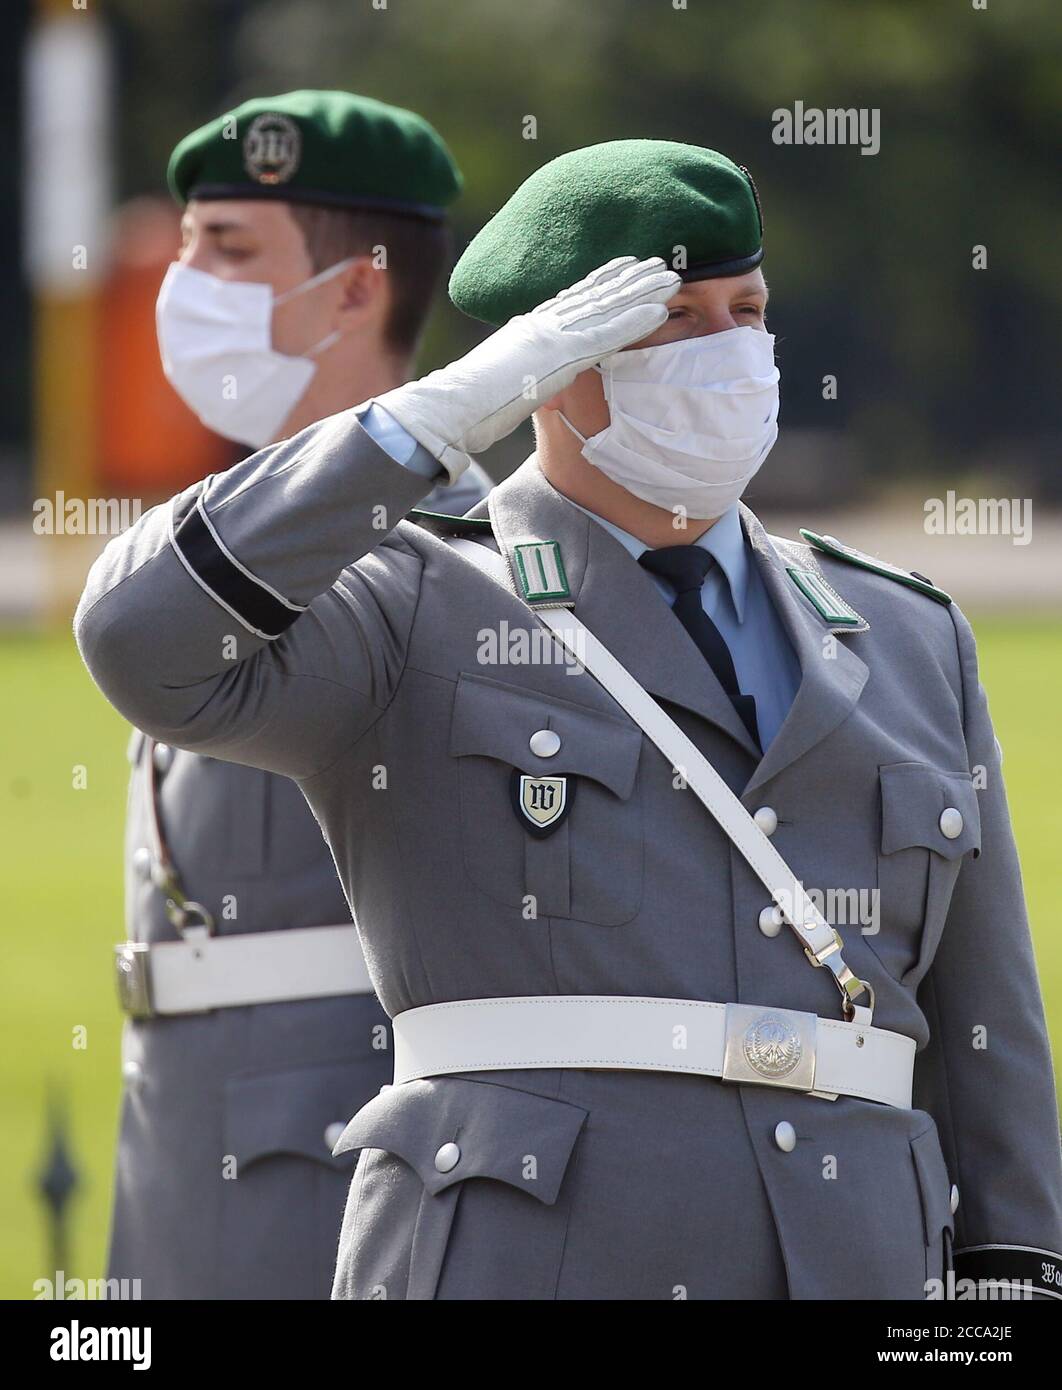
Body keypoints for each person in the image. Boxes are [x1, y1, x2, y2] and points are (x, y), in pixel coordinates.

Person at [79, 139, 1062, 1300]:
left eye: (748, 310)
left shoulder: (907, 634)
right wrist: (431, 418)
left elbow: (989, 1024)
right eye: (671, 319)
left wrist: (1014, 1280)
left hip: (858, 1267)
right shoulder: (414, 604)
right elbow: (142, 637)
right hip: (530, 1258)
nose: (732, 350)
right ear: (549, 357)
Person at [106, 90, 489, 1300]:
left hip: (323, 1150)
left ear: (358, 287)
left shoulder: (446, 557)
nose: (184, 285)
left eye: (227, 251)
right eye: (184, 245)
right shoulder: (216, 538)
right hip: (185, 1129)